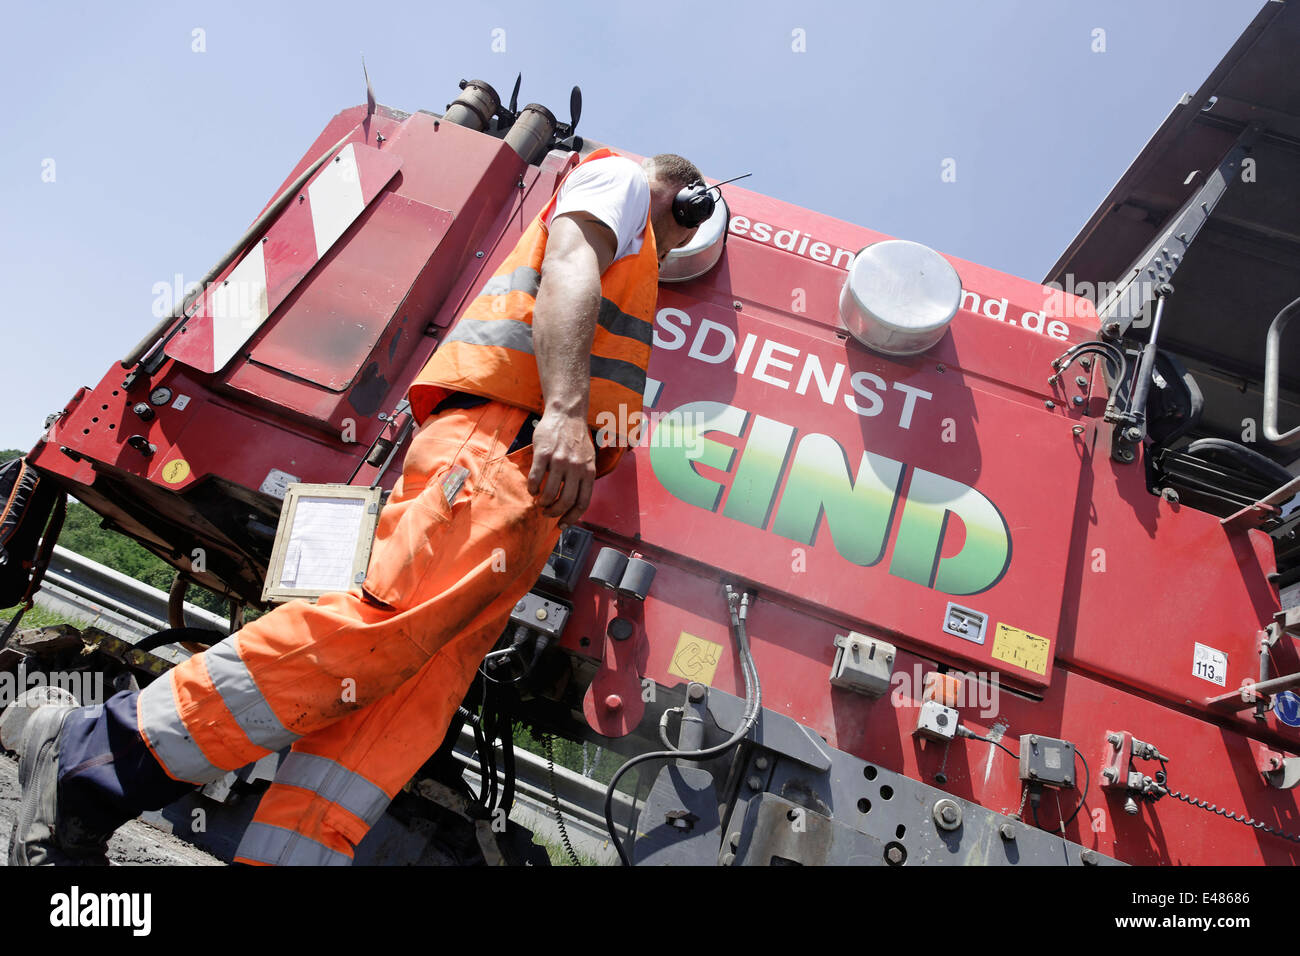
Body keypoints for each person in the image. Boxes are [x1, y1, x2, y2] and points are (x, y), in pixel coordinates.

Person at [3, 147, 703, 865]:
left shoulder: (638, 245)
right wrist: (563, 411)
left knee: (405, 701)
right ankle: (90, 758)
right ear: (688, 198)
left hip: (523, 478)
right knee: (383, 633)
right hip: (505, 443)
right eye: (686, 229)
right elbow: (568, 267)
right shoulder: (618, 182)